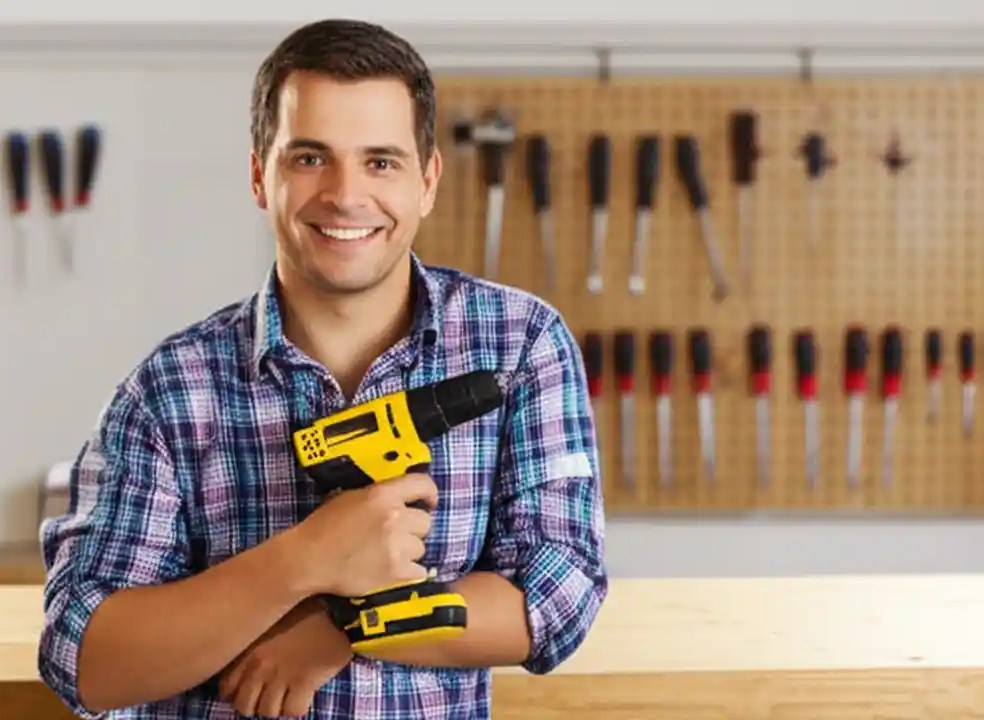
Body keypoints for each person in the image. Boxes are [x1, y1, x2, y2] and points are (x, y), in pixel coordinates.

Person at [38, 17, 607, 719]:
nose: (345, 194)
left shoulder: (519, 345)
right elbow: (83, 657)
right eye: (310, 158)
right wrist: (305, 559)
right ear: (260, 176)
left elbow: (558, 596)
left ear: (427, 181)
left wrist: (343, 626)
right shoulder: (172, 390)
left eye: (381, 162)